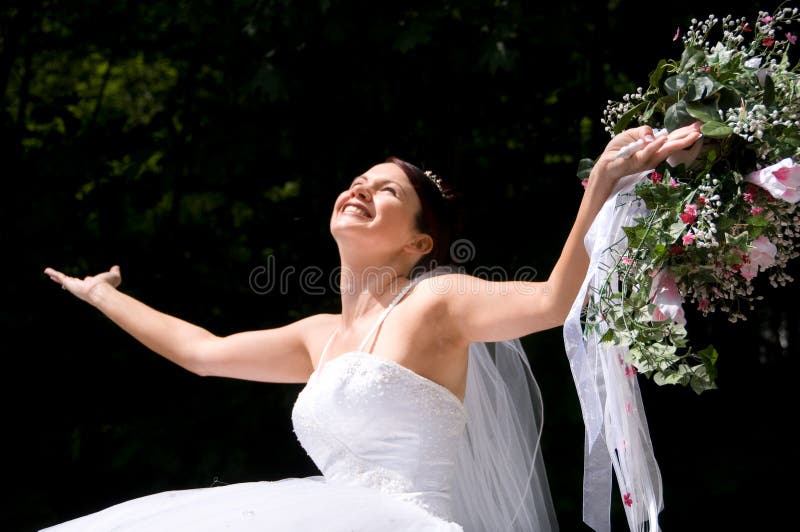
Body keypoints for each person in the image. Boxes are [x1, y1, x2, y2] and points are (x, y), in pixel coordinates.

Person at [41, 122, 703, 531]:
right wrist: (102, 296)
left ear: (419, 243)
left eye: (385, 191)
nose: (360, 188)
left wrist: (602, 187)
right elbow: (203, 352)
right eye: (358, 180)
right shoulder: (317, 336)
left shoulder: (437, 301)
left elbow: (556, 301)